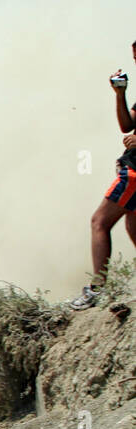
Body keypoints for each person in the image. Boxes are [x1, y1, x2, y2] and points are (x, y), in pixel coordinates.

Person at [73, 41, 136, 310]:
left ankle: (97, 289)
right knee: (133, 230)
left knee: (99, 222)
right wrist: (119, 93)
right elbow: (127, 125)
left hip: (134, 174)